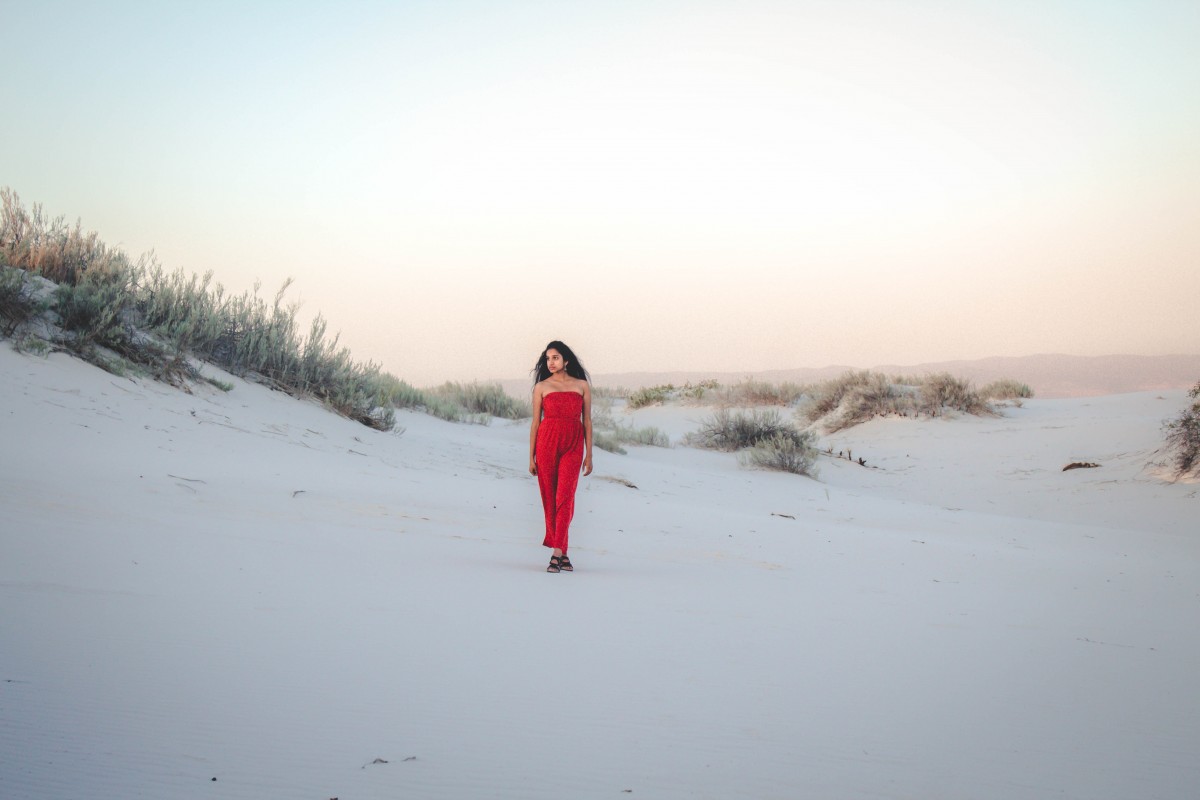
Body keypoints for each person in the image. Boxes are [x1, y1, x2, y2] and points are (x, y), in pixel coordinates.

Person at [529, 340, 593, 573]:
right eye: (548, 358)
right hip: (546, 443)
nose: (551, 362)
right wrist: (530, 456)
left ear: (566, 360)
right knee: (550, 497)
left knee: (565, 496)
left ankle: (556, 553)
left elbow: (587, 420)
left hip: (573, 443)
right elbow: (536, 422)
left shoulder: (581, 386)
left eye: (555, 357)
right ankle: (563, 553)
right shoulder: (541, 387)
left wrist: (589, 455)